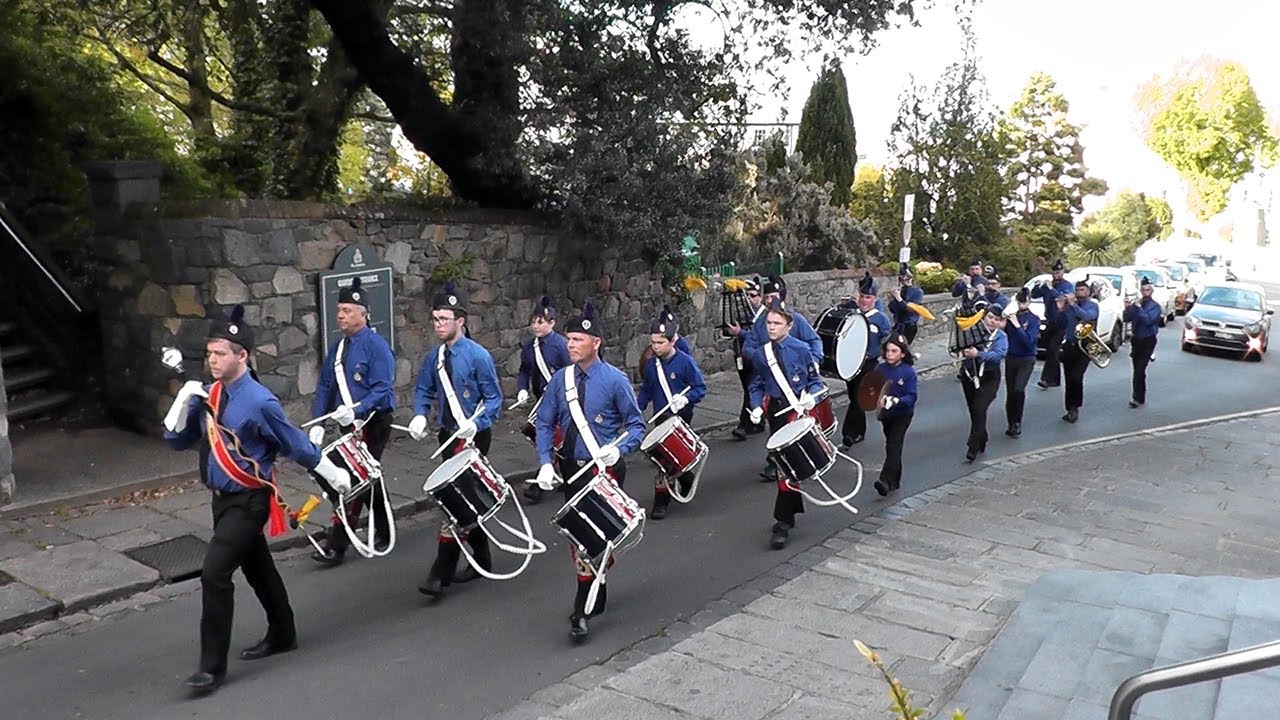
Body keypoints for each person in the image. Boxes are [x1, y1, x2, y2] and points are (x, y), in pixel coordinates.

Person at [163, 306, 352, 695]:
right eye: (209, 354)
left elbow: (295, 444)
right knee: (258, 568)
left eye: (220, 354)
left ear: (242, 356)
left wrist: (332, 474)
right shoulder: (210, 394)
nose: (212, 361)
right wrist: (182, 404)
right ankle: (283, 632)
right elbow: (178, 441)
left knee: (215, 574)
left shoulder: (260, 401)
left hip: (249, 501)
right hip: (221, 501)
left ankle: (211, 668)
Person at [530, 304, 646, 642]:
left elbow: (636, 425)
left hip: (603, 468)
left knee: (589, 540)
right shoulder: (560, 380)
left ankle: (581, 613)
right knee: (580, 538)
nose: (570, 344)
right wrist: (545, 462)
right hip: (570, 467)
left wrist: (619, 449)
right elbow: (544, 422)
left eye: (578, 339)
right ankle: (597, 582)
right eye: (568, 338)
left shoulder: (614, 380)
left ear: (595, 342)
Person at [408, 283, 503, 599]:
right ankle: (482, 557)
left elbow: (493, 400)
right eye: (435, 319)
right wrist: (420, 414)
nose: (438, 325)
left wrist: (476, 425)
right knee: (464, 502)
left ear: (460, 320)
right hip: (447, 435)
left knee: (453, 502)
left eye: (444, 319)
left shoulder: (478, 357)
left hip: (474, 437)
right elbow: (423, 390)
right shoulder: (433, 358)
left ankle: (440, 574)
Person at [308, 278, 396, 566]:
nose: (341, 315)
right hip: (349, 425)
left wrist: (358, 409)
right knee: (368, 477)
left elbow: (382, 388)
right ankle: (384, 527)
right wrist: (318, 422)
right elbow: (325, 386)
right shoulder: (339, 349)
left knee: (355, 477)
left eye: (347, 310)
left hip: (373, 421)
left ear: (363, 313)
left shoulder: (377, 346)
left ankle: (337, 543)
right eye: (339, 310)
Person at [746, 299, 826, 550]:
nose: (771, 327)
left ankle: (783, 520)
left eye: (776, 323)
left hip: (799, 410)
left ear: (789, 325)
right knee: (783, 464)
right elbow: (756, 384)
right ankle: (788, 514)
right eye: (769, 323)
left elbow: (814, 380)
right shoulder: (762, 354)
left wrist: (810, 396)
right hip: (778, 412)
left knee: (790, 465)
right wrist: (757, 405)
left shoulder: (801, 349)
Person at [635, 314, 707, 519]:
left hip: (681, 417)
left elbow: (700, 388)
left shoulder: (685, 362)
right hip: (661, 416)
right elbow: (647, 390)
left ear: (672, 341)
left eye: (660, 342)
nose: (655, 347)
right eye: (653, 342)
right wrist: (637, 409)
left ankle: (671, 491)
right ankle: (666, 494)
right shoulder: (650, 365)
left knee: (672, 455)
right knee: (662, 458)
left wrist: (686, 400)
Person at [516, 297, 571, 504]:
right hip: (542, 399)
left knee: (552, 438)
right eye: (534, 322)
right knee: (545, 437)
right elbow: (524, 371)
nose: (536, 326)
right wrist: (522, 389)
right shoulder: (530, 347)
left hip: (562, 401)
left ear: (552, 323)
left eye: (541, 322)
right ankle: (567, 475)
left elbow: (571, 373)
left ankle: (538, 485)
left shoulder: (562, 346)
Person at [842, 272, 892, 449]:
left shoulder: (880, 318)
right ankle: (860, 431)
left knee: (857, 399)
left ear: (874, 298)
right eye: (862, 296)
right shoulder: (851, 314)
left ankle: (849, 434)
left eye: (868, 297)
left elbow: (888, 339)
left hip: (869, 363)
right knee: (853, 397)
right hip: (851, 362)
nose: (864, 300)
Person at [1046, 278, 1100, 423]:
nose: (1079, 292)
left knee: (1077, 377)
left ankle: (1075, 407)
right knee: (1069, 378)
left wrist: (1073, 305)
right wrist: (1061, 309)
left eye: (1082, 290)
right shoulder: (1070, 306)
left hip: (1085, 346)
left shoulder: (1092, 305)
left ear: (1088, 292)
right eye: (1077, 290)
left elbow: (1088, 318)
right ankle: (1070, 407)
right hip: (1070, 345)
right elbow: (1060, 323)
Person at [872, 334, 917, 497]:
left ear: (902, 354)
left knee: (894, 444)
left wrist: (896, 400)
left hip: (902, 414)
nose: (890, 354)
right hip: (886, 414)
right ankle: (895, 480)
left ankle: (884, 480)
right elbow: (873, 388)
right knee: (891, 445)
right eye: (888, 351)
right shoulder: (880, 369)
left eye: (894, 351)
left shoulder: (908, 372)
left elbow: (912, 397)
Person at [960, 311, 1008, 463]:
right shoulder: (973, 331)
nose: (993, 321)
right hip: (969, 376)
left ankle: (972, 447)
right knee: (974, 410)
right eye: (990, 317)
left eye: (997, 319)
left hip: (989, 378)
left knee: (980, 407)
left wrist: (978, 354)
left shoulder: (1001, 336)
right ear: (984, 317)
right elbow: (961, 345)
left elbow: (998, 355)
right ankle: (982, 436)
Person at [727, 279, 766, 441]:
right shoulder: (744, 313)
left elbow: (759, 338)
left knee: (751, 388)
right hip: (743, 356)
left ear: (760, 297)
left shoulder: (765, 316)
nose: (750, 299)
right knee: (748, 388)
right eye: (748, 295)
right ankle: (759, 420)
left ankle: (743, 425)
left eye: (753, 295)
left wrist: (740, 333)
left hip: (759, 356)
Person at [1003, 288, 1040, 438]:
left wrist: (1017, 325)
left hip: (1026, 358)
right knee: (1011, 391)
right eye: (1019, 302)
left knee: (1019, 389)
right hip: (1012, 357)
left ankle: (1017, 422)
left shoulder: (1033, 319)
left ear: (1029, 302)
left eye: (1024, 302)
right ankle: (1011, 422)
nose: (1021, 304)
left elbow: (1028, 342)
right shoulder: (1013, 317)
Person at [1034, 259, 1074, 390]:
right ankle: (1055, 379)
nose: (1056, 275)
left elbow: (1062, 298)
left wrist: (1051, 289)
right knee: (1051, 351)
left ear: (1062, 272)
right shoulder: (1047, 285)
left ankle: (1046, 379)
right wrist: (1037, 286)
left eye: (1058, 272)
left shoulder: (1067, 286)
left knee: (1052, 348)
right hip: (1050, 321)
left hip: (1062, 322)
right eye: (1054, 272)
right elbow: (1035, 295)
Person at [1124, 276, 1162, 409]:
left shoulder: (1155, 306)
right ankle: (1138, 396)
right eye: (1143, 290)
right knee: (1136, 370)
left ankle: (1138, 398)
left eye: (1148, 290)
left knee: (1140, 369)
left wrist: (1138, 308)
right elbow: (1126, 318)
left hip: (1148, 340)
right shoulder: (1137, 304)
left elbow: (1148, 321)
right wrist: (1128, 308)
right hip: (1137, 340)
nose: (1145, 292)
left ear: (1152, 291)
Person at [887, 269, 925, 344]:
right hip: (898, 325)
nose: (906, 279)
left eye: (908, 277)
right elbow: (893, 309)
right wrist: (892, 299)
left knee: (904, 347)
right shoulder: (900, 290)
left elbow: (911, 309)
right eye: (903, 277)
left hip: (909, 325)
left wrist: (898, 298)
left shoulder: (917, 291)